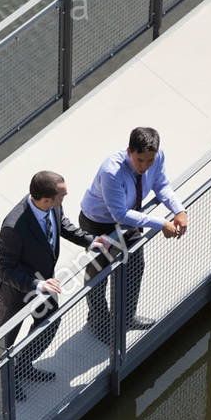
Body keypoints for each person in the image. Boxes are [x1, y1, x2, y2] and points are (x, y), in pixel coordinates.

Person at [0, 170, 98, 400]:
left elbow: (63, 225)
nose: (65, 199)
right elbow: (5, 269)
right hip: (18, 292)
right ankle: (3, 379)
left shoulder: (53, 207)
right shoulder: (13, 227)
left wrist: (90, 240)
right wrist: (37, 285)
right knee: (5, 338)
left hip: (46, 285)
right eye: (62, 196)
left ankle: (22, 366)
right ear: (45, 199)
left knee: (49, 322)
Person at [78, 126, 188, 342]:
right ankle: (98, 321)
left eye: (150, 160)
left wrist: (179, 210)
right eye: (140, 160)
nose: (145, 166)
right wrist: (160, 223)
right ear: (129, 152)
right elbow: (119, 214)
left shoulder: (157, 157)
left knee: (136, 266)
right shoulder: (112, 171)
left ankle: (127, 317)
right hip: (99, 224)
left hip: (130, 220)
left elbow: (161, 184)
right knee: (99, 274)